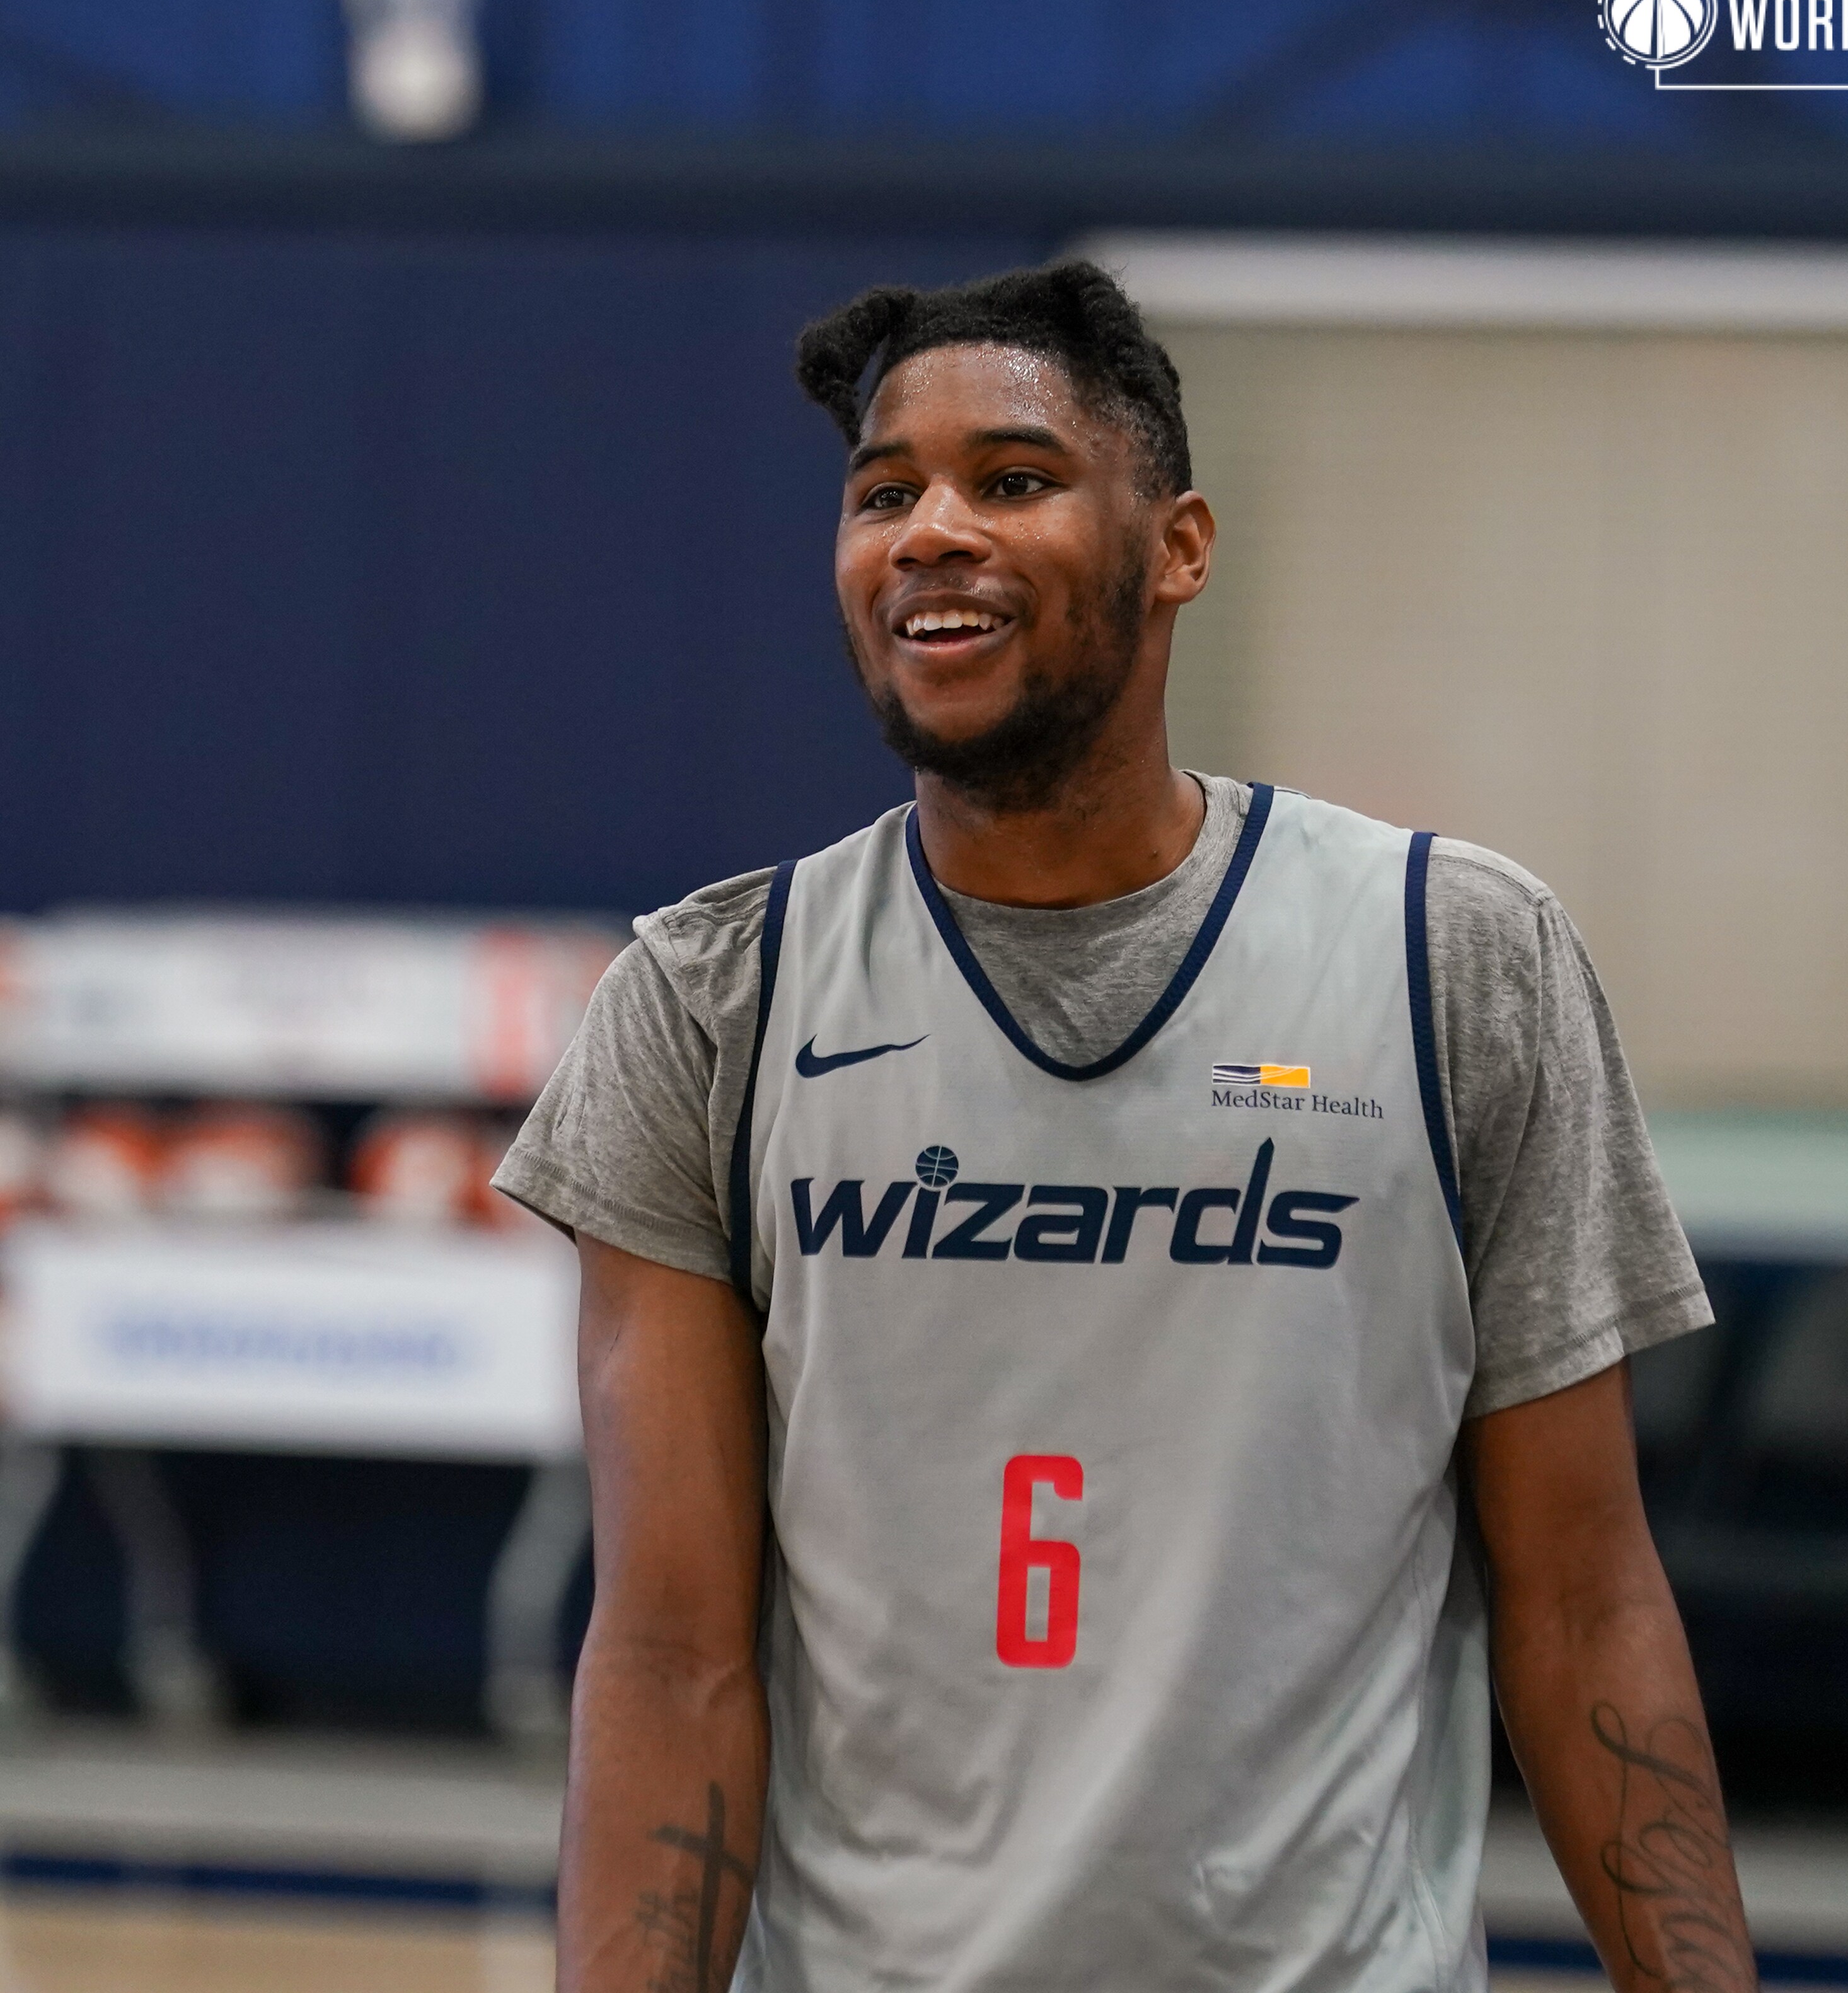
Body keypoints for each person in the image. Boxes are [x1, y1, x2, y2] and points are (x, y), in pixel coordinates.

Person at [495, 261, 1754, 1991]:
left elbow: (1588, 1602)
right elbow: (670, 1658)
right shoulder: (712, 1000)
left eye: (1009, 479)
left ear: (1179, 547)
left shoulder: (1458, 960)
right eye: (884, 494)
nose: (930, 530)